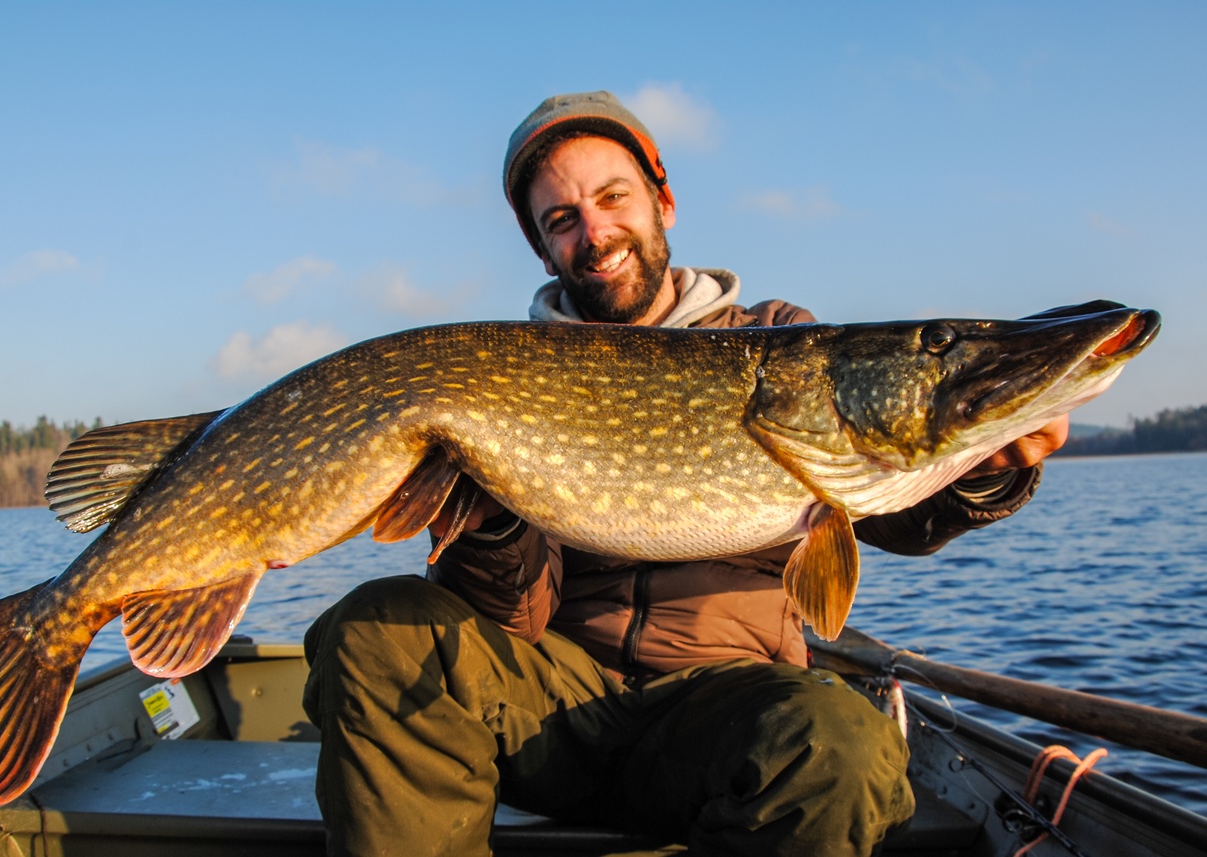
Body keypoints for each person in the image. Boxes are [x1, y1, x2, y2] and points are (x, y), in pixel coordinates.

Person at [302, 91, 1066, 857]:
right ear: (542, 249)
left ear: (662, 200)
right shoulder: (505, 376)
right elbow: (512, 620)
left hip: (724, 713)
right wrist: (492, 515)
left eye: (612, 197)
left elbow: (888, 503)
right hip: (554, 708)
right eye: (561, 220)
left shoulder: (778, 341)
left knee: (839, 744)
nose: (595, 233)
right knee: (376, 630)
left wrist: (981, 473)